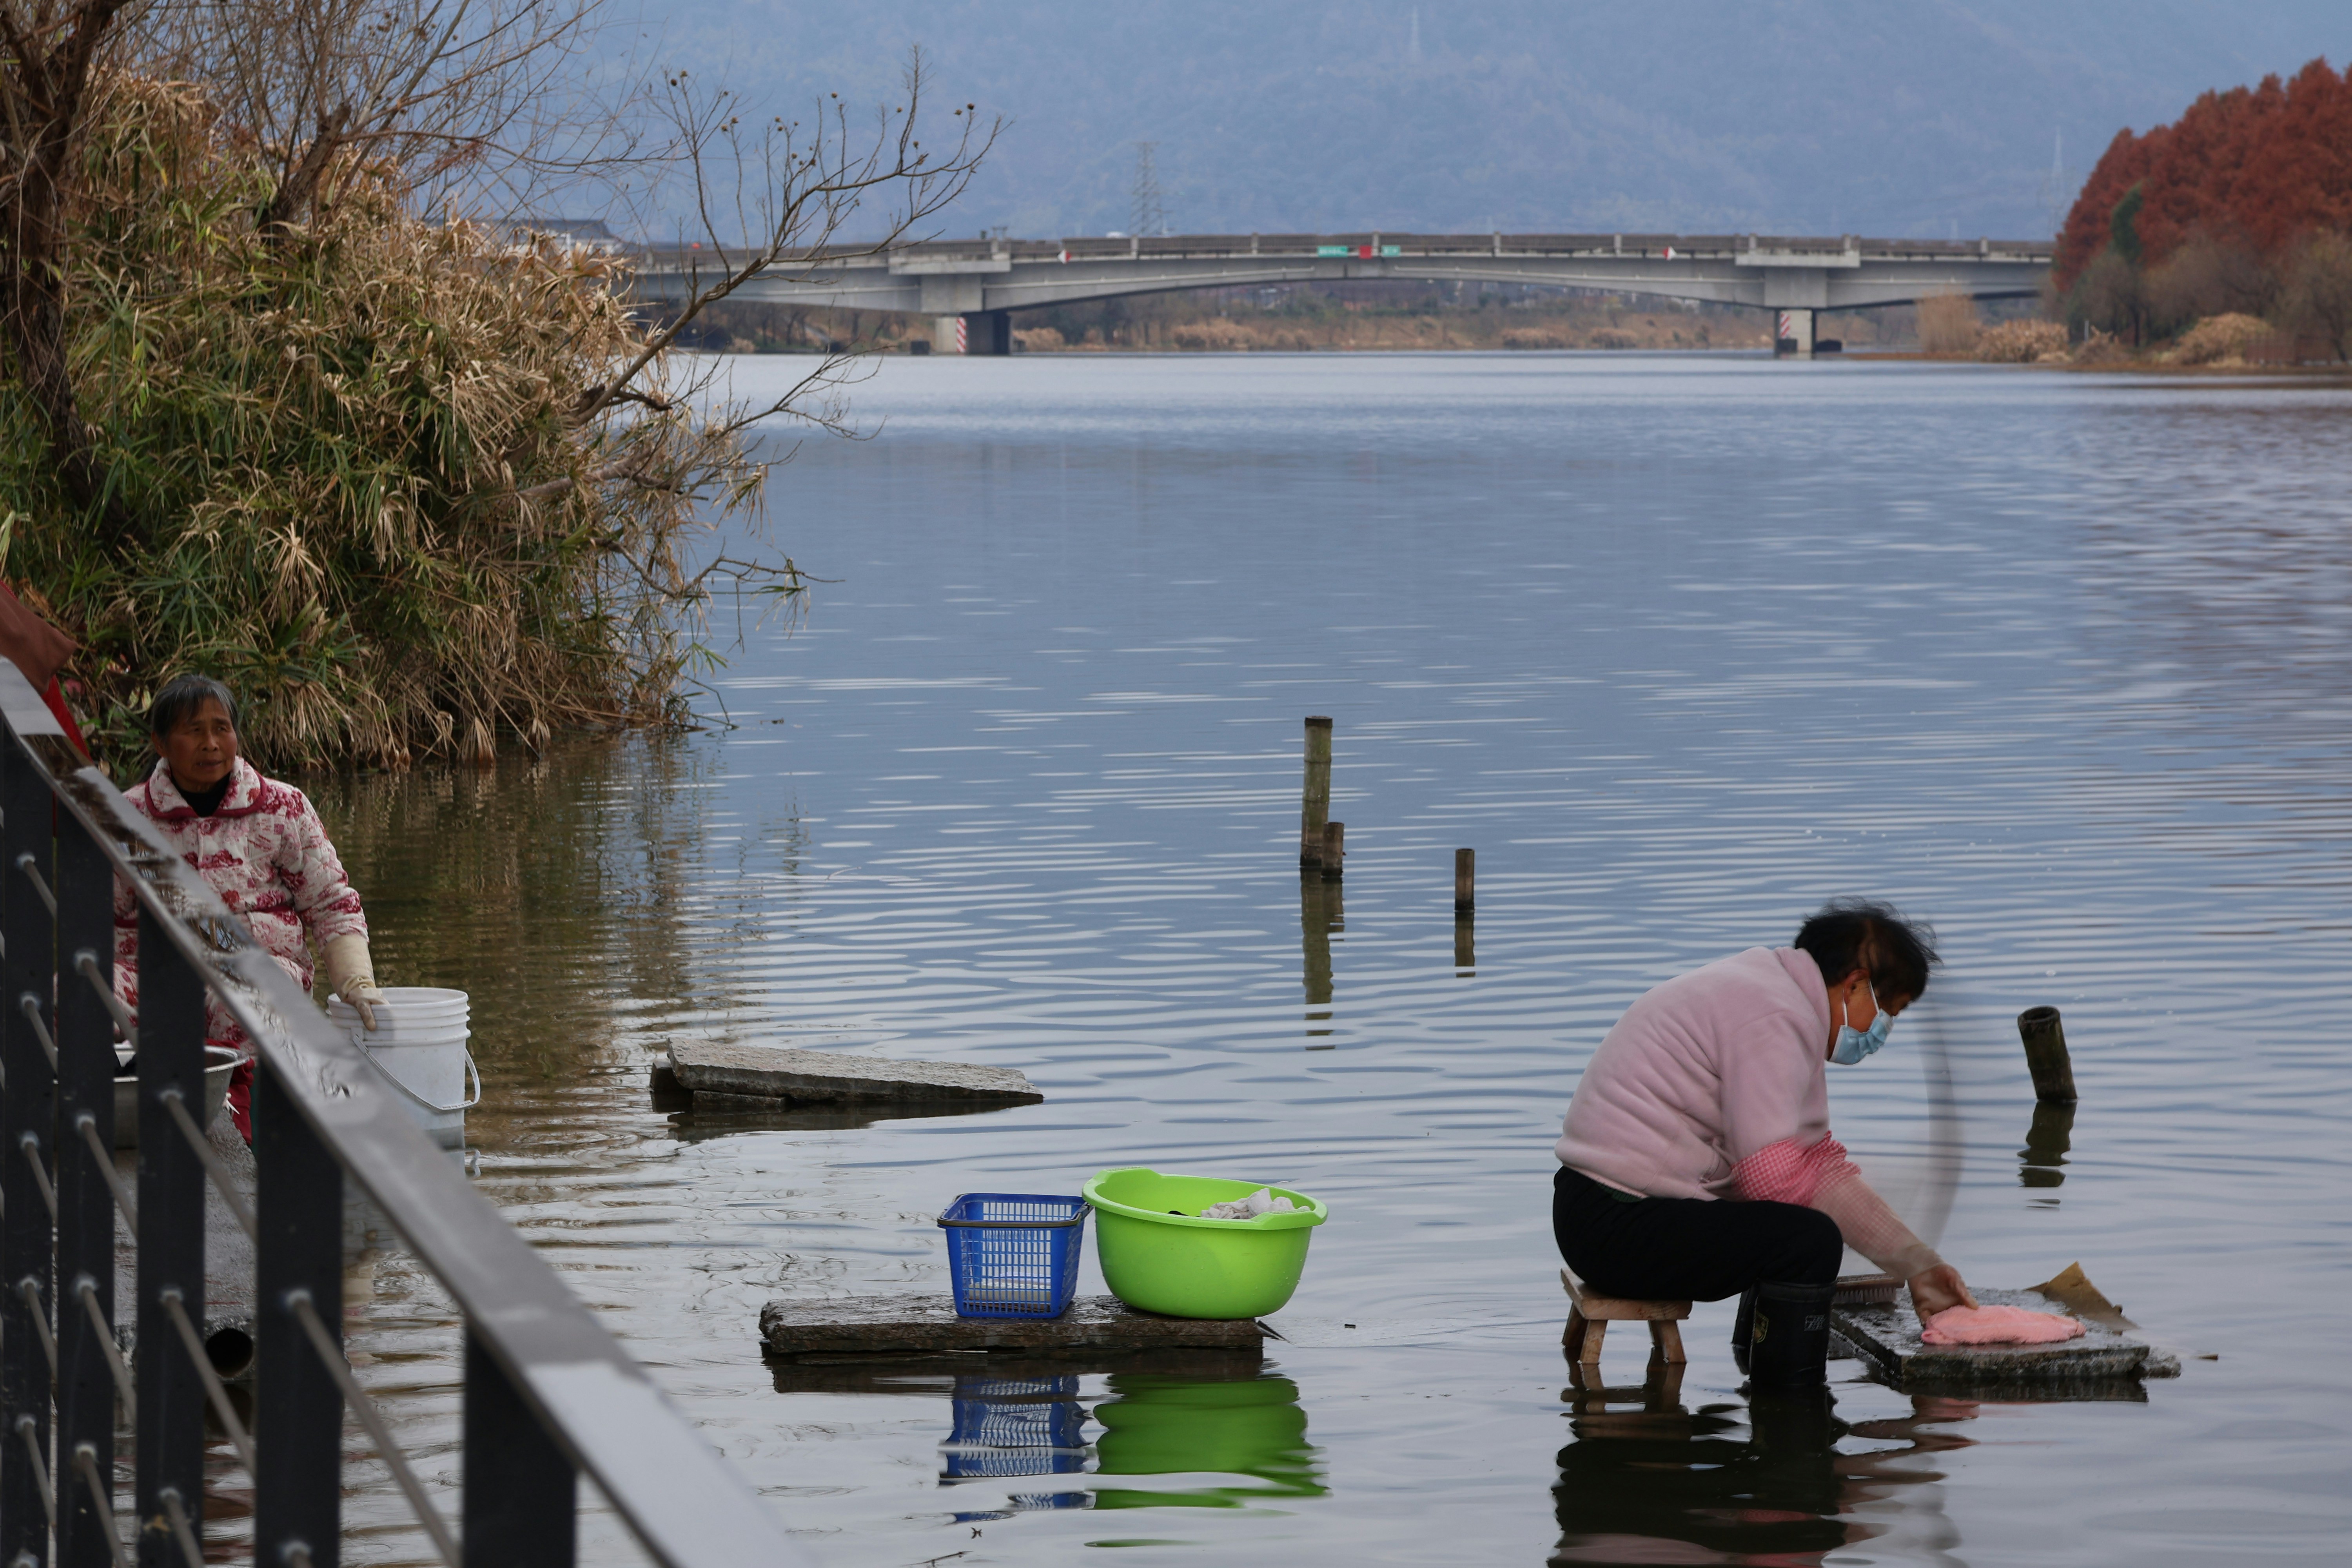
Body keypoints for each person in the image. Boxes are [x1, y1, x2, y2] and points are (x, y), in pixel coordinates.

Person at [1552, 899, 1975, 1388]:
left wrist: (1918, 1263)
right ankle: (1789, 1411)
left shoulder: (1770, 991)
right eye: (1888, 1011)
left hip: (1598, 1211)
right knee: (1808, 1241)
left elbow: (1815, 1164)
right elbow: (1772, 1175)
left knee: (1788, 1228)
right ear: (1855, 983)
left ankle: (1755, 1365)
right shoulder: (1774, 1014)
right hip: (1614, 1223)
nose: (1882, 1031)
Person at [113, 675, 387, 1139]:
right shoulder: (128, 817)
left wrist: (357, 979)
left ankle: (245, 1139)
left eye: (222, 728)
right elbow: (104, 918)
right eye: (193, 730)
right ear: (160, 742)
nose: (211, 743)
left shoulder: (282, 808)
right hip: (154, 970)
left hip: (258, 967)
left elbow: (331, 903)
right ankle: (110, 1124)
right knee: (76, 997)